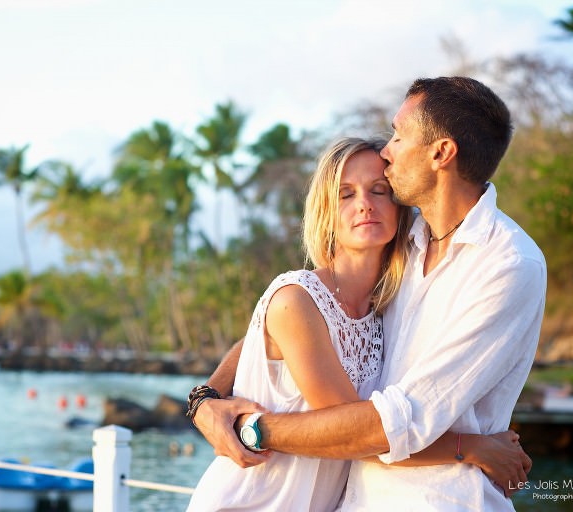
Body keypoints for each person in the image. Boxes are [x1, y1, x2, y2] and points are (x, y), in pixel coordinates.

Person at [193, 76, 546, 511]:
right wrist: (205, 402)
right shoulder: (407, 245)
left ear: (441, 153)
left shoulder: (505, 265)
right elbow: (276, 329)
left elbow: (390, 424)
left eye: (399, 136)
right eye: (347, 194)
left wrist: (254, 427)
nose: (388, 151)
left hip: (441, 500)